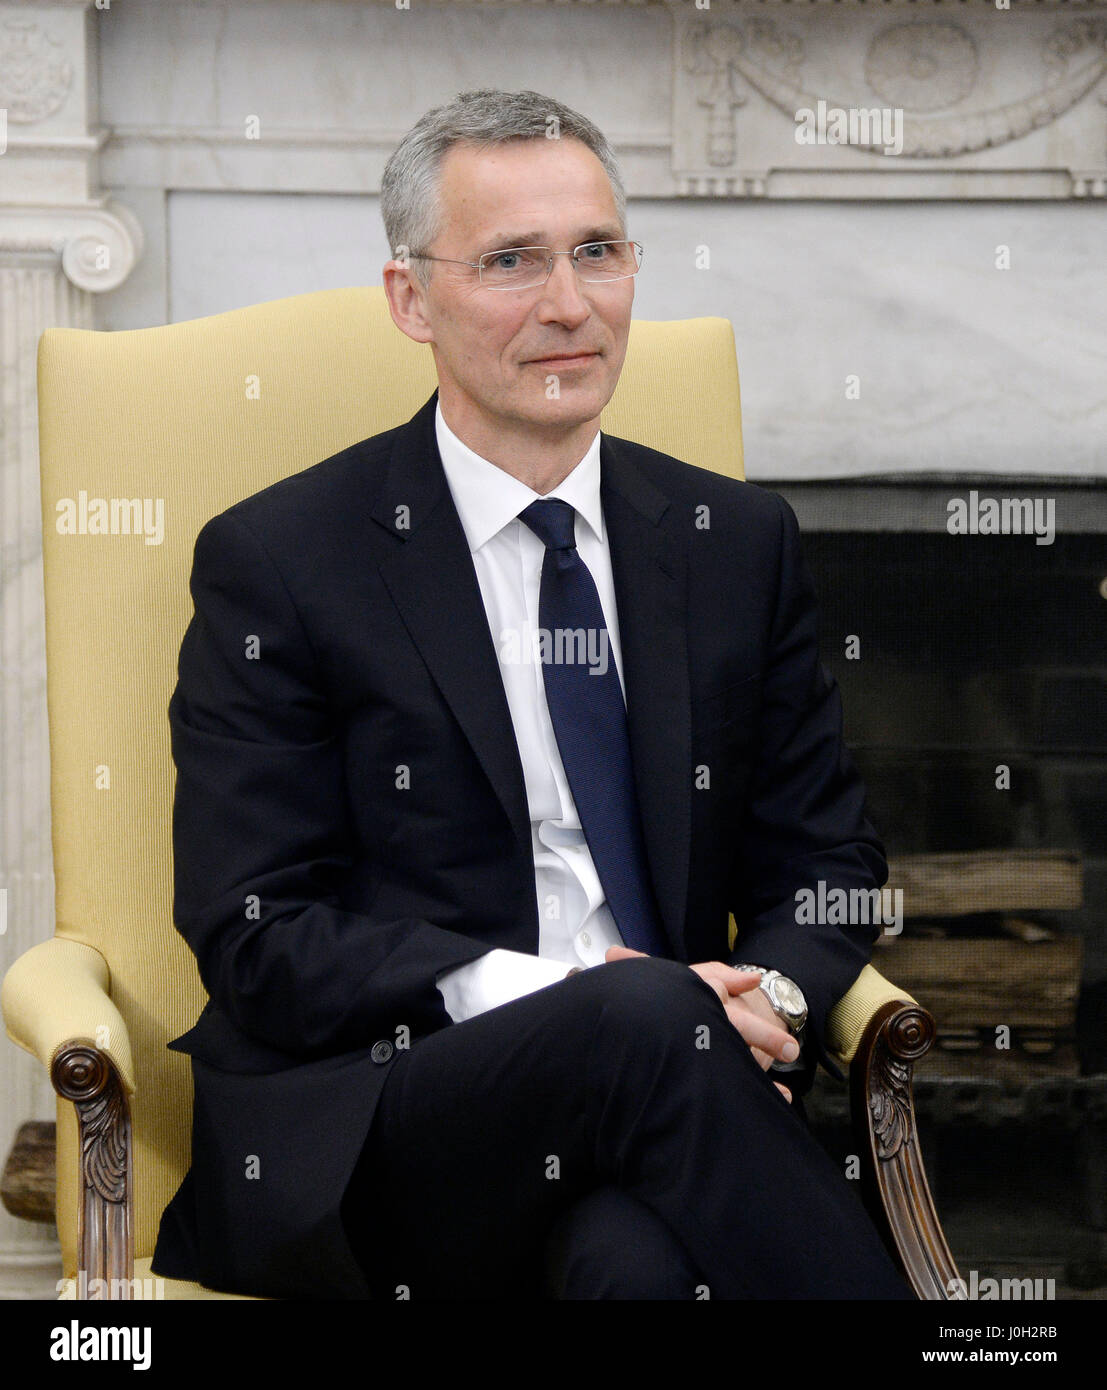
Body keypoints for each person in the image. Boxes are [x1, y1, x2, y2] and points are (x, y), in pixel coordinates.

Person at [150, 87, 914, 1300]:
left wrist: (760, 998)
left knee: (634, 1272)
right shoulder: (286, 560)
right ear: (412, 298)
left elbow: (825, 858)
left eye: (597, 252)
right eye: (513, 260)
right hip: (383, 1118)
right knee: (643, 1019)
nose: (570, 306)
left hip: (662, 1110)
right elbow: (257, 938)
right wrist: (581, 996)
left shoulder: (734, 540)